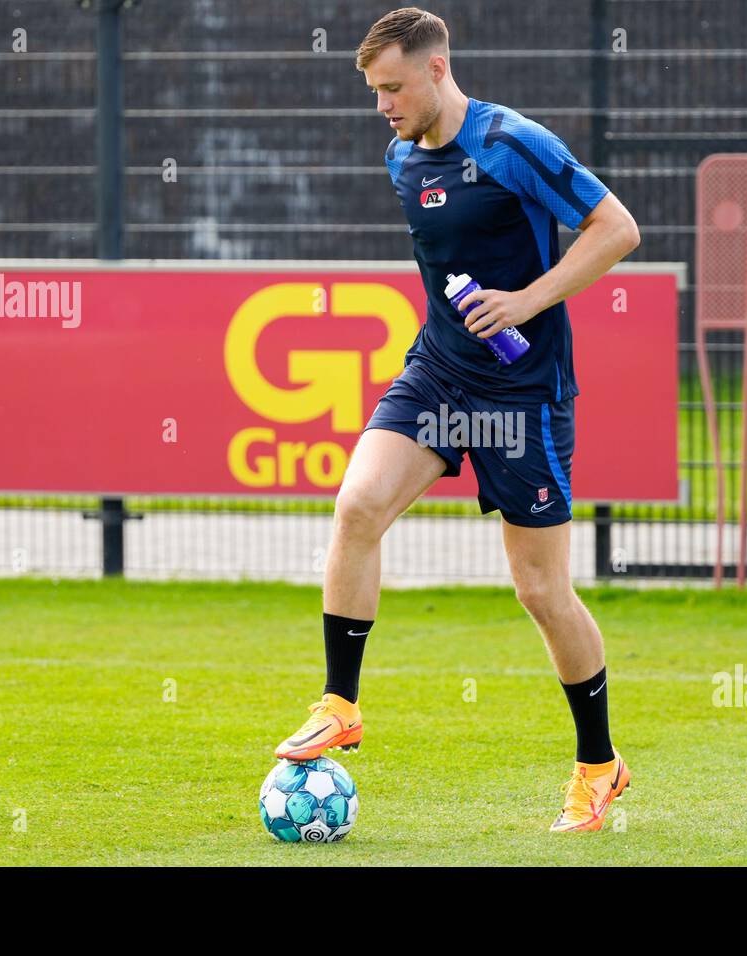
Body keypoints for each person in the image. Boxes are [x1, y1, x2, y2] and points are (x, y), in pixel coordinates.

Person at [273, 7, 641, 831]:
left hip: (525, 394)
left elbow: (617, 227)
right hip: (439, 373)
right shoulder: (401, 156)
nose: (383, 106)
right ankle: (341, 701)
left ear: (439, 69)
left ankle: (598, 764)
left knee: (541, 590)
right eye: (374, 91)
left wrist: (526, 300)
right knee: (357, 504)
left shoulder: (512, 143)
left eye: (394, 87)